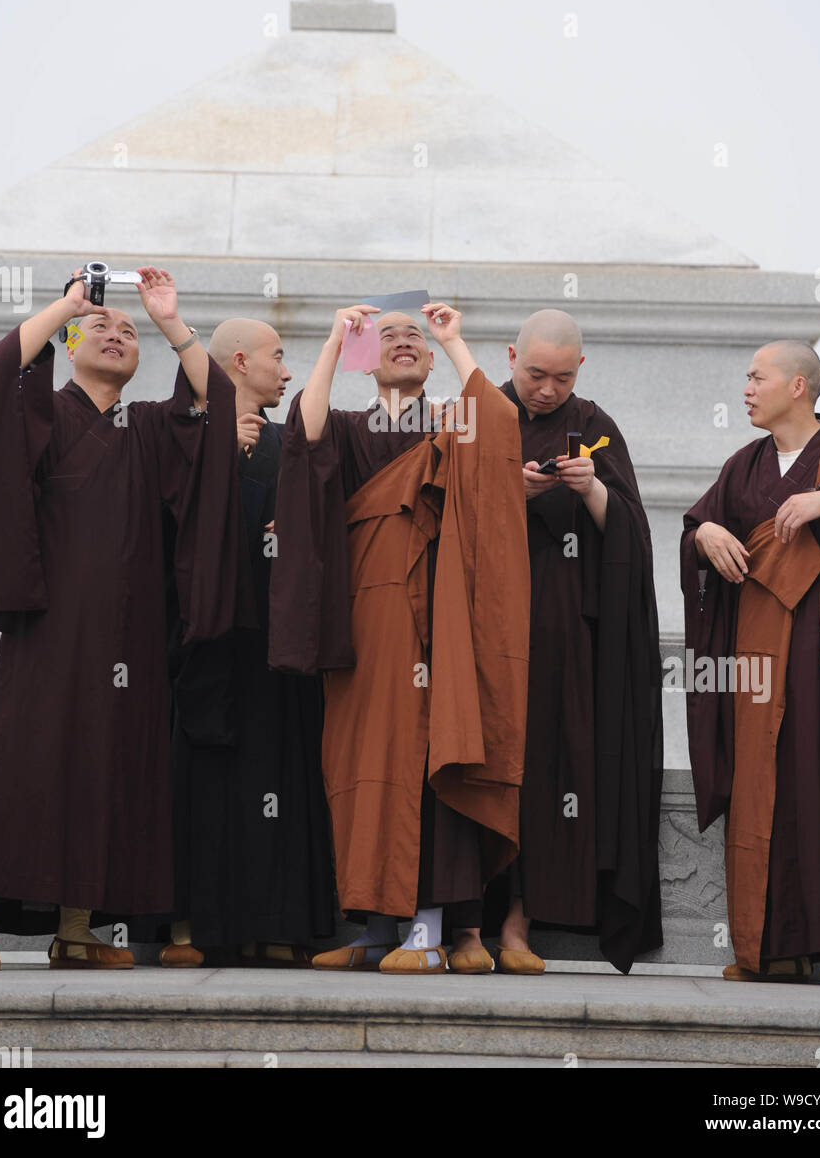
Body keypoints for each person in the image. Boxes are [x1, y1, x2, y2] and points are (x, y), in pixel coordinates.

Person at [0, 267, 242, 971]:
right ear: (72, 340)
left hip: (130, 635)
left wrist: (170, 320)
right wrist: (69, 305)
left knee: (109, 770)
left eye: (130, 333)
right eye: (103, 328)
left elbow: (217, 400)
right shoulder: (43, 413)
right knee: (26, 765)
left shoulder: (148, 426)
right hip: (50, 628)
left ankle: (77, 929)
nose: (119, 335)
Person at [269, 303, 530, 974]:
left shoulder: (450, 424)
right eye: (389, 336)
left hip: (436, 617)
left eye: (416, 336)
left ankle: (429, 932)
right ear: (366, 356)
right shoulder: (352, 428)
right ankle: (379, 929)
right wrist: (333, 338)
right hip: (365, 617)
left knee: (428, 757)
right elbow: (306, 427)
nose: (405, 342)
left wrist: (455, 338)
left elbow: (501, 424)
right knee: (365, 764)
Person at [683, 340, 820, 987]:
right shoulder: (743, 466)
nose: (745, 388)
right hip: (755, 661)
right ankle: (776, 946)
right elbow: (702, 527)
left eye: (756, 377)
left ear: (798, 386)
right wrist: (704, 534)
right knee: (765, 793)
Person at [487, 309, 663, 975]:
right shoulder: (482, 414)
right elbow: (438, 503)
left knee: (549, 772)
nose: (546, 391)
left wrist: (592, 492)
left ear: (579, 370)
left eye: (561, 377)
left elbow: (632, 535)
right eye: (535, 374)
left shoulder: (594, 427)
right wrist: (509, 489)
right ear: (510, 357)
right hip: (484, 623)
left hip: (560, 633)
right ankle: (456, 921)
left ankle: (518, 920)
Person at [157, 317, 335, 966]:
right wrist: (215, 460)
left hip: (276, 646)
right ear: (240, 361)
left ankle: (279, 924)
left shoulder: (287, 440)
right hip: (206, 642)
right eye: (279, 358)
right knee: (204, 784)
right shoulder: (183, 434)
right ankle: (192, 929)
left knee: (280, 777)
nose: (286, 372)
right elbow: (157, 526)